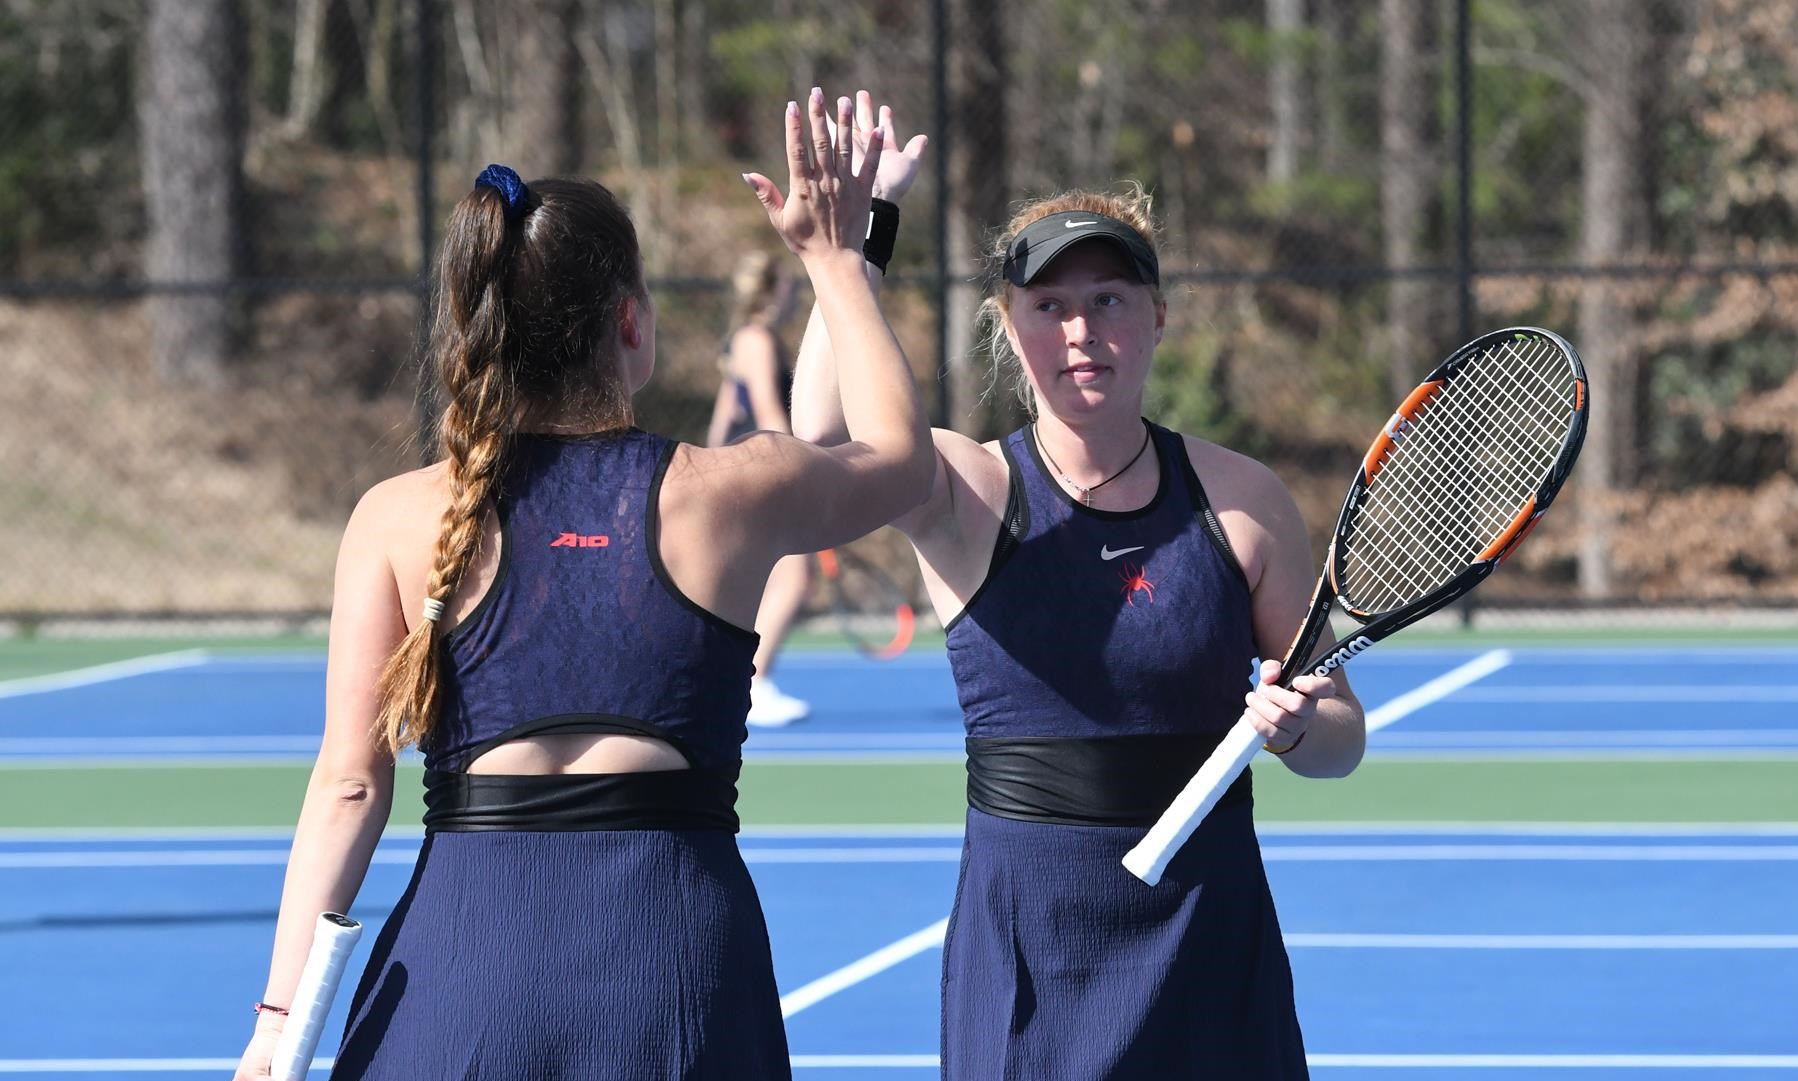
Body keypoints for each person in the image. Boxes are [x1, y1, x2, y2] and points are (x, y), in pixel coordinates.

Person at [234, 88, 932, 1080]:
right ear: (633, 327)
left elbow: (351, 781)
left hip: (461, 973)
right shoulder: (723, 491)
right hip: (676, 972)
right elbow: (902, 460)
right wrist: (838, 255)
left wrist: (275, 1020)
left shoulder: (397, 514)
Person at [790, 94, 1365, 1079]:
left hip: (1206, 924)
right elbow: (819, 435)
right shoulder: (969, 491)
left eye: (1108, 299)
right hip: (1032, 928)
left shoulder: (1241, 499)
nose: (1079, 330)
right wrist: (859, 244)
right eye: (1047, 306)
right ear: (1010, 330)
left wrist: (1307, 722)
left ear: (1156, 317)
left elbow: (1341, 740)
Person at [705, 250, 814, 727]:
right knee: (795, 575)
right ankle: (754, 685)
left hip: (741, 468)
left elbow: (722, 420)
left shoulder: (743, 340)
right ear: (772, 290)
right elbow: (769, 414)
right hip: (759, 470)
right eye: (789, 284)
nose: (795, 294)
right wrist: (801, 470)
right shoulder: (758, 340)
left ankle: (734, 684)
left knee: (743, 584)